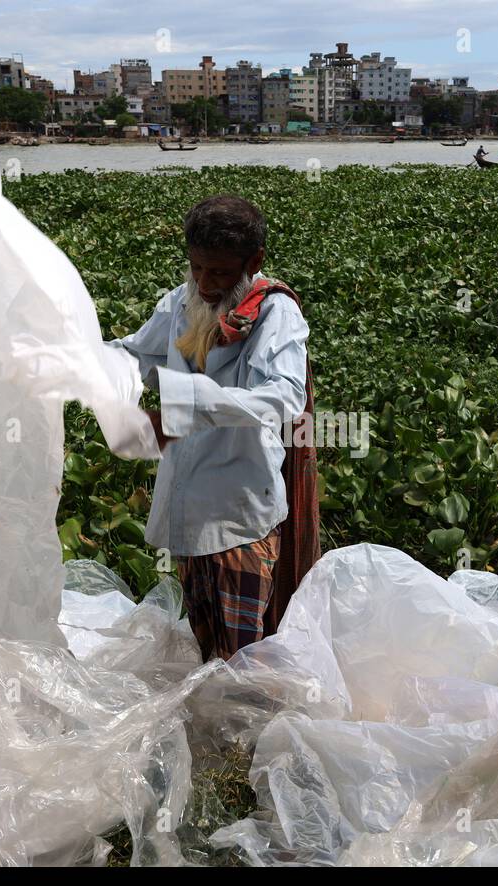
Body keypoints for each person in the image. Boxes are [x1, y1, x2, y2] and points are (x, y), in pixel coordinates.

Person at [114, 195, 321, 661]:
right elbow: (137, 355)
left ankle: (241, 734)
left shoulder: (274, 314)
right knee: (208, 650)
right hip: (190, 508)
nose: (206, 283)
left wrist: (182, 410)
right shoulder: (181, 301)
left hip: (238, 514)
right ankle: (219, 731)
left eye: (220, 273)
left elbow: (283, 397)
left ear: (255, 262)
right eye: (197, 268)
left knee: (241, 658)